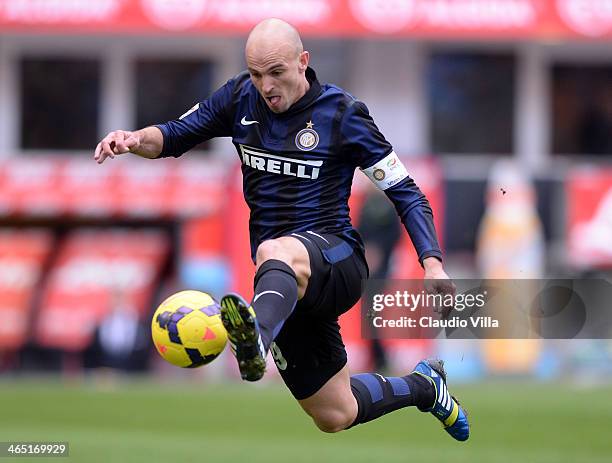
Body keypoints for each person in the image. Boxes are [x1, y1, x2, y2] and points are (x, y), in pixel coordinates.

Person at [94, 18, 469, 440]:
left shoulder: (342, 114)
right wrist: (132, 138)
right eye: (256, 74)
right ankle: (425, 386)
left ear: (302, 63)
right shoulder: (239, 98)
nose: (265, 85)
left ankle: (255, 335)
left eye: (276, 72)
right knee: (335, 412)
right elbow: (174, 136)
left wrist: (433, 264)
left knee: (274, 251)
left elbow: (406, 191)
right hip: (283, 287)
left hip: (337, 259)